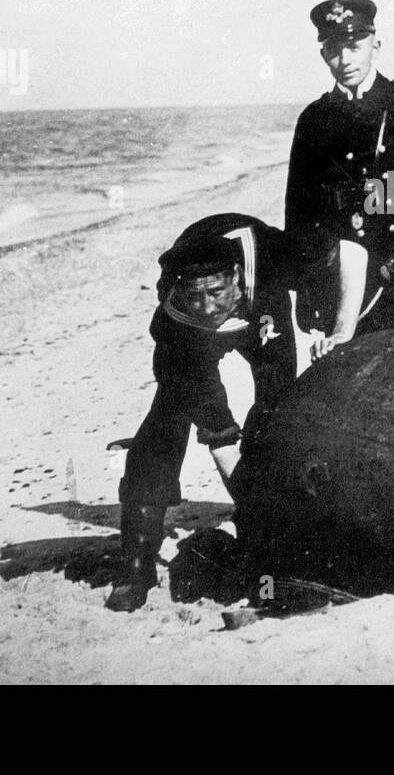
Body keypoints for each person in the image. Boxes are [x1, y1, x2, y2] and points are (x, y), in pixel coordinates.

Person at [106, 212, 298, 612]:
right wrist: (222, 437)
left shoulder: (269, 275)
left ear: (233, 277)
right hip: (188, 344)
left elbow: (277, 373)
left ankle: (277, 520)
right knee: (166, 421)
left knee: (278, 408)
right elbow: (215, 425)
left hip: (259, 309)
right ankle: (136, 562)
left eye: (214, 292)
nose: (208, 307)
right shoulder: (175, 317)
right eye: (194, 296)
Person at [286, 0, 394, 352]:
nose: (345, 59)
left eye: (354, 46)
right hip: (343, 291)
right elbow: (300, 215)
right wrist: (309, 292)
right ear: (323, 55)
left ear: (375, 46)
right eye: (334, 49)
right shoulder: (314, 120)